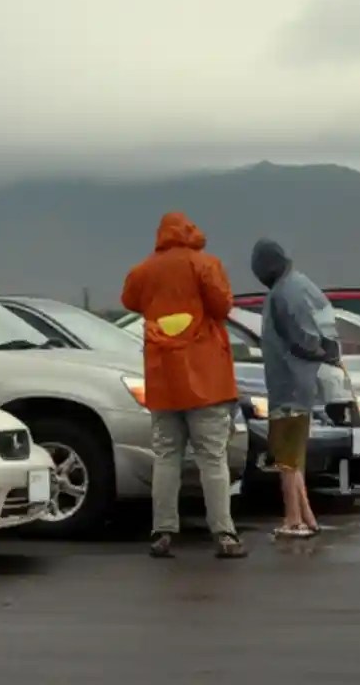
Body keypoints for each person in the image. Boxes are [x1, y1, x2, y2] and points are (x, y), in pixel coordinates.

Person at [121, 211, 246, 559]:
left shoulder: (143, 271)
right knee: (212, 458)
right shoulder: (206, 264)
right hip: (206, 377)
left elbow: (130, 301)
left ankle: (162, 531)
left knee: (166, 457)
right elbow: (221, 306)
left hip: (164, 379)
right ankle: (224, 533)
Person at [250, 238, 347, 539]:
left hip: (286, 386)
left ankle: (293, 519)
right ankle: (307, 515)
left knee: (286, 457)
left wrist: (318, 351)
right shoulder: (302, 285)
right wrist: (329, 352)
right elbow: (322, 326)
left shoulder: (281, 294)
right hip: (302, 386)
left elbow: (300, 338)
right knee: (294, 456)